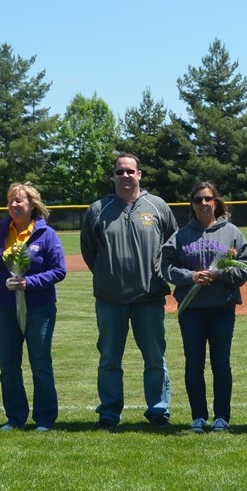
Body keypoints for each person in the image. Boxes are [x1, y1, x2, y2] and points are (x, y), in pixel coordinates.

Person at [82, 154, 178, 429]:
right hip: (110, 299)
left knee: (155, 358)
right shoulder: (98, 209)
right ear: (113, 176)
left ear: (140, 174)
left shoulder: (157, 206)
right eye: (120, 172)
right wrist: (108, 276)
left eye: (130, 171)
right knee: (110, 358)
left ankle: (159, 410)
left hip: (149, 297)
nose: (125, 176)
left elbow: (172, 246)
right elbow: (90, 251)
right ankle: (109, 412)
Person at [161, 182, 247, 433]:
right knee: (194, 364)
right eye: (197, 200)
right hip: (191, 309)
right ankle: (199, 417)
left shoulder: (232, 232)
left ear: (216, 202)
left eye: (207, 199)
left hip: (221, 308)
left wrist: (219, 274)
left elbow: (246, 265)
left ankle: (222, 417)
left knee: (221, 364)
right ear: (191, 205)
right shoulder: (181, 235)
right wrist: (191, 276)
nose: (203, 204)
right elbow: (166, 266)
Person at [0, 182, 67, 432]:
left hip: (39, 307)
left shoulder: (47, 234)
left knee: (40, 361)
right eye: (10, 200)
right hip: (6, 306)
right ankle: (15, 417)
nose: (14, 205)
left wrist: (28, 282)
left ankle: (44, 418)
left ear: (32, 204)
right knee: (8, 364)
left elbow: (59, 270)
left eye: (19, 200)